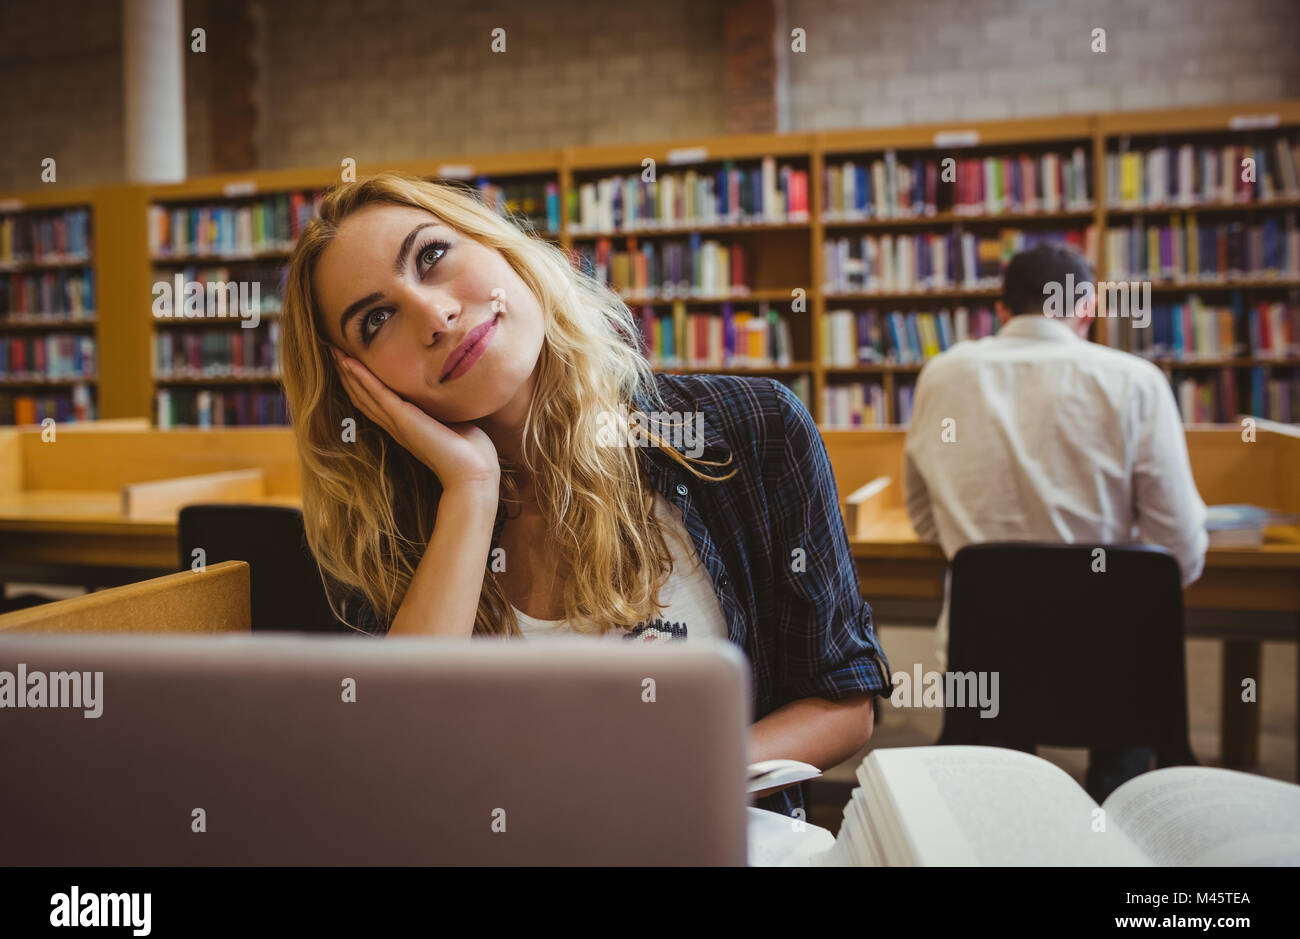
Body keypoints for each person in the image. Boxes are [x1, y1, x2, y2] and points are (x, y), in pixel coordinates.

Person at [277, 172, 892, 818]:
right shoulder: (383, 537)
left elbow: (843, 703)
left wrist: (653, 782)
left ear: (503, 247)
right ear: (361, 386)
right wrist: (471, 490)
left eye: (432, 256)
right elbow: (389, 769)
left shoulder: (752, 429)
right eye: (377, 320)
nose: (434, 316)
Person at [903, 241, 1208, 802]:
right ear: (1087, 308)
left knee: (995, 800)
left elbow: (922, 513)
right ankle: (1120, 809)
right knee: (1121, 767)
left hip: (985, 658)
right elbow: (1179, 553)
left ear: (1001, 311)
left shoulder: (943, 374)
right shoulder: (1134, 380)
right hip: (1114, 664)